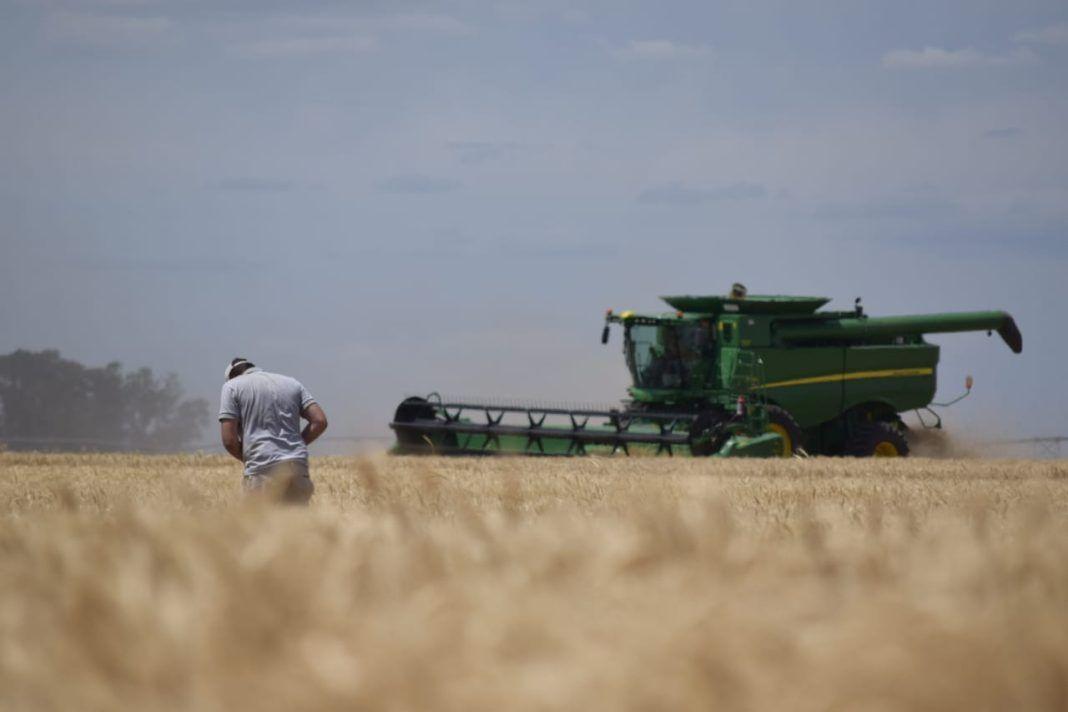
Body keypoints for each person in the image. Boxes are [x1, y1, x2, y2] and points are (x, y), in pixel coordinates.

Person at [218, 357, 328, 504]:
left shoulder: (231, 387)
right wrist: (294, 446)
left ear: (232, 376)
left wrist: (250, 458)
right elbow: (320, 421)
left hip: (261, 470)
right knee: (297, 519)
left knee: (262, 519)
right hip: (297, 467)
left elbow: (229, 441)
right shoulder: (292, 383)